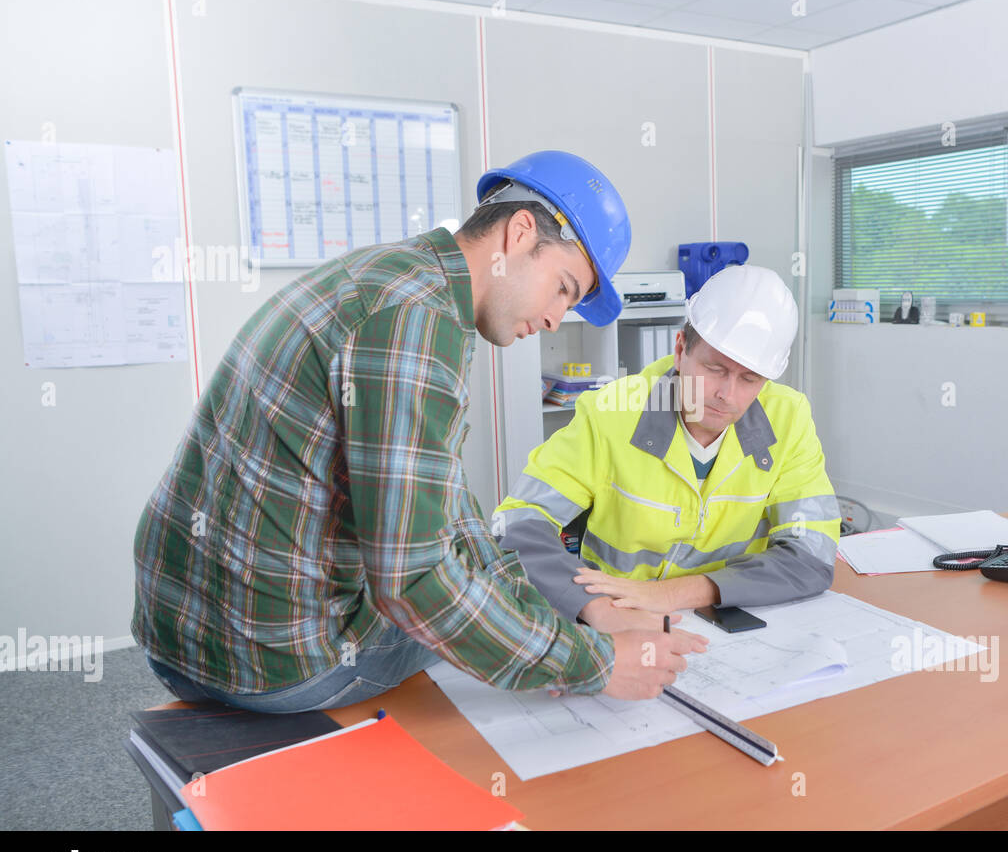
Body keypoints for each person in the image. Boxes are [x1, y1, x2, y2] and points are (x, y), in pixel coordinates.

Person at [132, 150, 705, 714]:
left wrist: (577, 611)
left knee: (494, 600)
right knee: (463, 626)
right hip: (265, 658)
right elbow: (414, 581)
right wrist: (594, 661)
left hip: (183, 622)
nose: (558, 319)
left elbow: (446, 507)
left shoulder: (404, 279)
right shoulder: (414, 324)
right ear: (522, 233)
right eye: (563, 287)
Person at [493, 264, 840, 631]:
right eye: (715, 369)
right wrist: (594, 608)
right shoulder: (610, 413)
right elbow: (515, 525)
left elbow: (812, 554)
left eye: (750, 378)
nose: (727, 395)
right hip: (620, 622)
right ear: (680, 350)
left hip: (733, 625)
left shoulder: (790, 418)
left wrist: (676, 593)